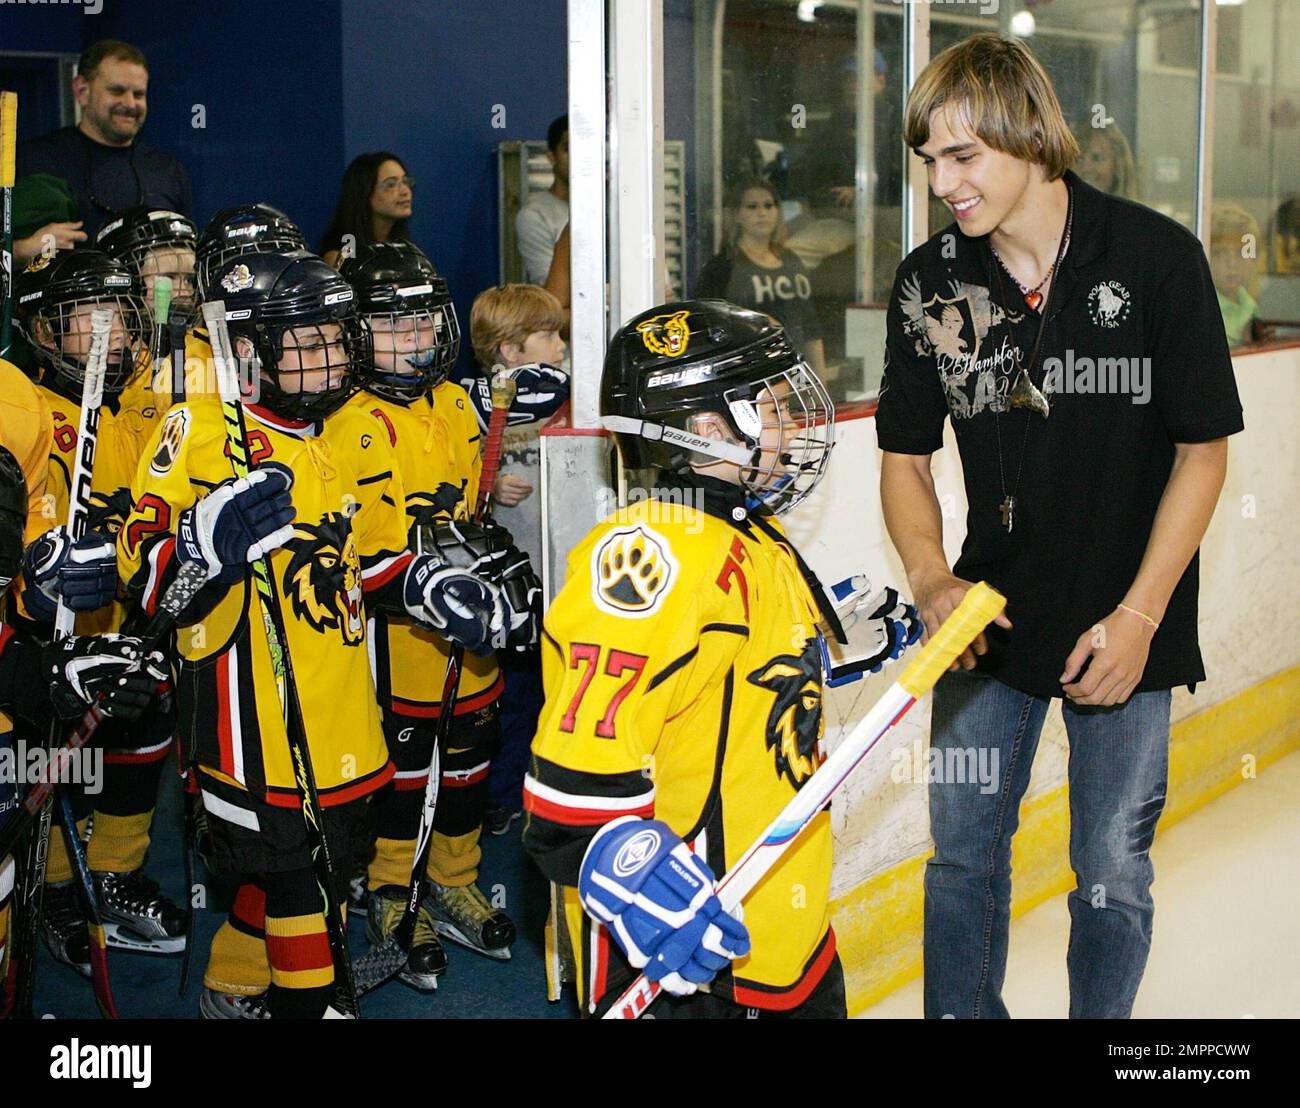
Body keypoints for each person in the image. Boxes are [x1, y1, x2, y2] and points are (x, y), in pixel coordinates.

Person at [877, 33, 1243, 1019]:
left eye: (963, 156)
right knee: (960, 855)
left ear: (1031, 139)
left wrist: (1137, 618)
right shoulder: (930, 284)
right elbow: (903, 461)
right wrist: (927, 579)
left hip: (1127, 618)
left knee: (1110, 869)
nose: (942, 183)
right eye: (928, 161)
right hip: (983, 623)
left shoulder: (1156, 260)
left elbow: (1202, 455)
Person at [118, 248, 511, 1018]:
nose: (330, 358)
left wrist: (424, 582)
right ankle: (316, 1002)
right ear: (247, 350)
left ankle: (232, 987)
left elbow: (349, 562)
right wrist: (202, 542)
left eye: (335, 338)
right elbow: (146, 576)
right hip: (250, 724)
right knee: (300, 880)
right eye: (307, 341)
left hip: (338, 709)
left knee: (306, 864)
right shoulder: (196, 428)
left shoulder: (326, 432)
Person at [524, 300, 869, 1018]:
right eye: (770, 405)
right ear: (712, 429)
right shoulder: (661, 548)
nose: (791, 422)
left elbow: (738, 691)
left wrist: (846, 647)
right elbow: (575, 771)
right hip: (696, 953)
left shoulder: (743, 531)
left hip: (779, 924)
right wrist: (625, 874)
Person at [340, 242, 537, 976]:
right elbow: (364, 549)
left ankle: (453, 879)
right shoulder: (346, 419)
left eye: (424, 320)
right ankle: (392, 889)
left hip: (467, 632)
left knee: (466, 763)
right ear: (355, 332)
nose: (416, 338)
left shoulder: (457, 401)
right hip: (394, 637)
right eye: (393, 325)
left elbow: (472, 504)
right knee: (401, 772)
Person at [12, 248, 186, 970]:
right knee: (57, 752)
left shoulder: (151, 397)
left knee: (145, 731)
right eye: (89, 318)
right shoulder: (29, 408)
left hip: (134, 616)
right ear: (47, 333)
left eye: (121, 316)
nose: (110, 333)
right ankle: (52, 882)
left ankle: (114, 870)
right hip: (55, 627)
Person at [463, 284, 569, 835]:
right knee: (510, 699)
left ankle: (540, 792)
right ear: (509, 350)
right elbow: (451, 465)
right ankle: (499, 796)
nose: (560, 344)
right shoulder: (475, 403)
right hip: (505, 580)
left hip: (556, 573)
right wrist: (484, 479)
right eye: (546, 335)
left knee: (551, 693)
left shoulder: (556, 400)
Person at [14, 40, 192, 263]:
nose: (130, 103)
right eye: (116, 91)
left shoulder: (167, 170)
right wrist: (21, 251)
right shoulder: (34, 160)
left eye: (138, 94)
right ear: (81, 91)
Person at [697, 179, 826, 378]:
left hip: (795, 374)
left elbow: (810, 328)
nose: (762, 213)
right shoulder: (722, 267)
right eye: (752, 207)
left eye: (769, 205)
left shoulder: (791, 260)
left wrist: (819, 380)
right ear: (736, 215)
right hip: (748, 377)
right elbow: (708, 335)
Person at [319, 152, 414, 268]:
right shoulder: (345, 246)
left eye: (405, 181)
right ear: (364, 191)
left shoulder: (402, 245)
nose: (405, 191)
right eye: (391, 184)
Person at [515, 116, 569, 283]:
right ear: (551, 156)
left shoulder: (610, 209)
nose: (580, 156)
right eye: (568, 149)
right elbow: (553, 295)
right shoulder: (534, 216)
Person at [1209, 202, 1266, 348]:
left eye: (1241, 253)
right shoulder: (1203, 308)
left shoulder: (1251, 306)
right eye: (1219, 253)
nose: (1232, 263)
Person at [1073, 122, 1139, 201]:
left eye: (1097, 158)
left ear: (1118, 165)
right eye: (1079, 159)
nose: (1086, 168)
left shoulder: (1133, 212)